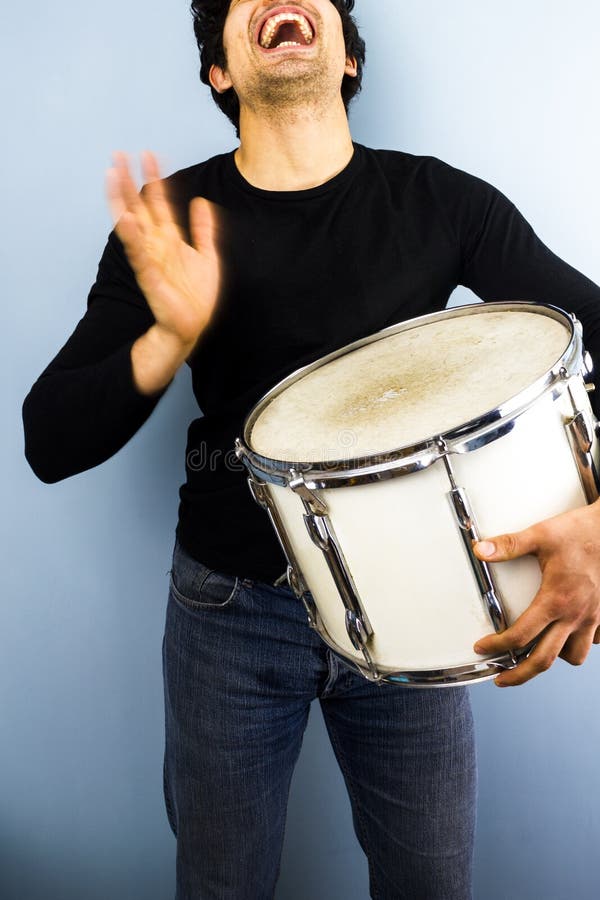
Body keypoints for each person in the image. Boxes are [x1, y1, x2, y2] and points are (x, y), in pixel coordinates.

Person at [21, 1, 600, 897]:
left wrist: (599, 523)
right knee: (221, 887)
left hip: (424, 612)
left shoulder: (444, 200)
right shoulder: (168, 219)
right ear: (219, 69)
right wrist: (166, 338)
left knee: (434, 885)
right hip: (229, 612)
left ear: (348, 57)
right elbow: (48, 439)